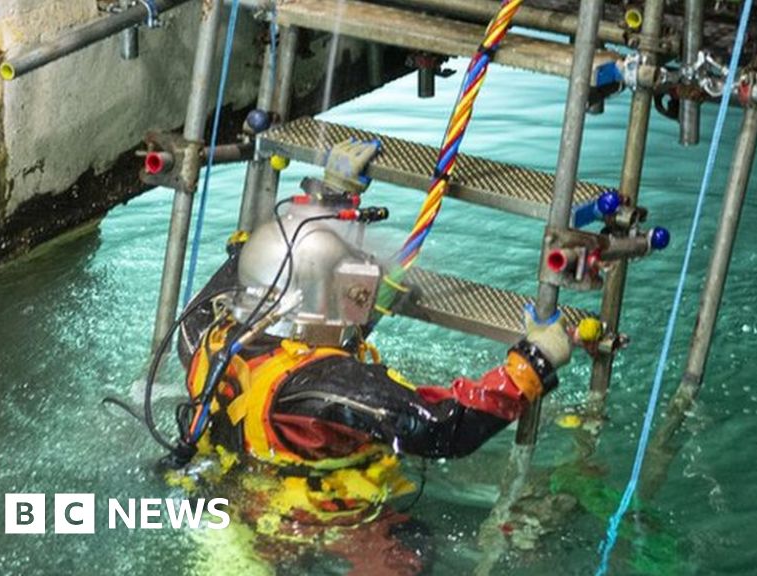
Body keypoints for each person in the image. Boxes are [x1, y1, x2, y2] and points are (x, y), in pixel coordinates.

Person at [160, 139, 574, 571]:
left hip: (226, 509)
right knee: (410, 544)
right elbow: (443, 428)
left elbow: (246, 264)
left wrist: (329, 198)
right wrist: (534, 362)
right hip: (309, 519)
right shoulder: (323, 385)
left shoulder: (202, 335)